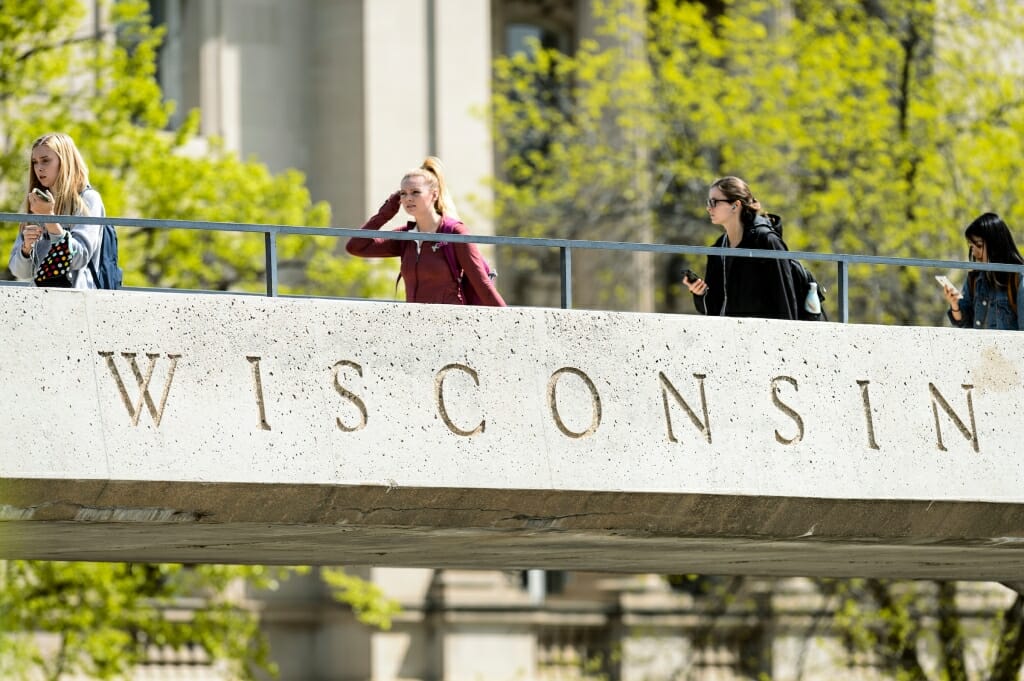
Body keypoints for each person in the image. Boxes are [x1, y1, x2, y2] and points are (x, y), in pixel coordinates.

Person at [346, 157, 505, 306]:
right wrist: (385, 214)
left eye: (415, 192)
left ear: (434, 194)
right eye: (403, 193)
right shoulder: (405, 236)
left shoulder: (454, 232)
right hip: (414, 326)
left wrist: (513, 324)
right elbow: (355, 247)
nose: (408, 198)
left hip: (452, 325)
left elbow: (482, 284)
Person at [681, 176, 798, 320]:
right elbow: (713, 310)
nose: (708, 207)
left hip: (762, 336)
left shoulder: (766, 240)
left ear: (735, 205)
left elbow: (785, 300)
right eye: (708, 202)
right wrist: (700, 294)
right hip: (729, 337)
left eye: (714, 202)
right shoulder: (718, 247)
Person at [8, 133, 104, 289]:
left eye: (45, 160)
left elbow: (79, 258)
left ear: (64, 161)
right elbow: (19, 271)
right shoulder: (35, 202)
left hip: (76, 300)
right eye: (35, 162)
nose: (39, 167)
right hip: (39, 300)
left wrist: (49, 218)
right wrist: (26, 249)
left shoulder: (87, 200)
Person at [940, 212, 1024, 330]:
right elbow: (964, 322)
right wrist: (954, 305)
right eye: (971, 247)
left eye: (979, 246)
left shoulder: (1018, 279)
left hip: (1006, 348)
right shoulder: (974, 278)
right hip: (978, 348)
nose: (974, 253)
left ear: (996, 245)